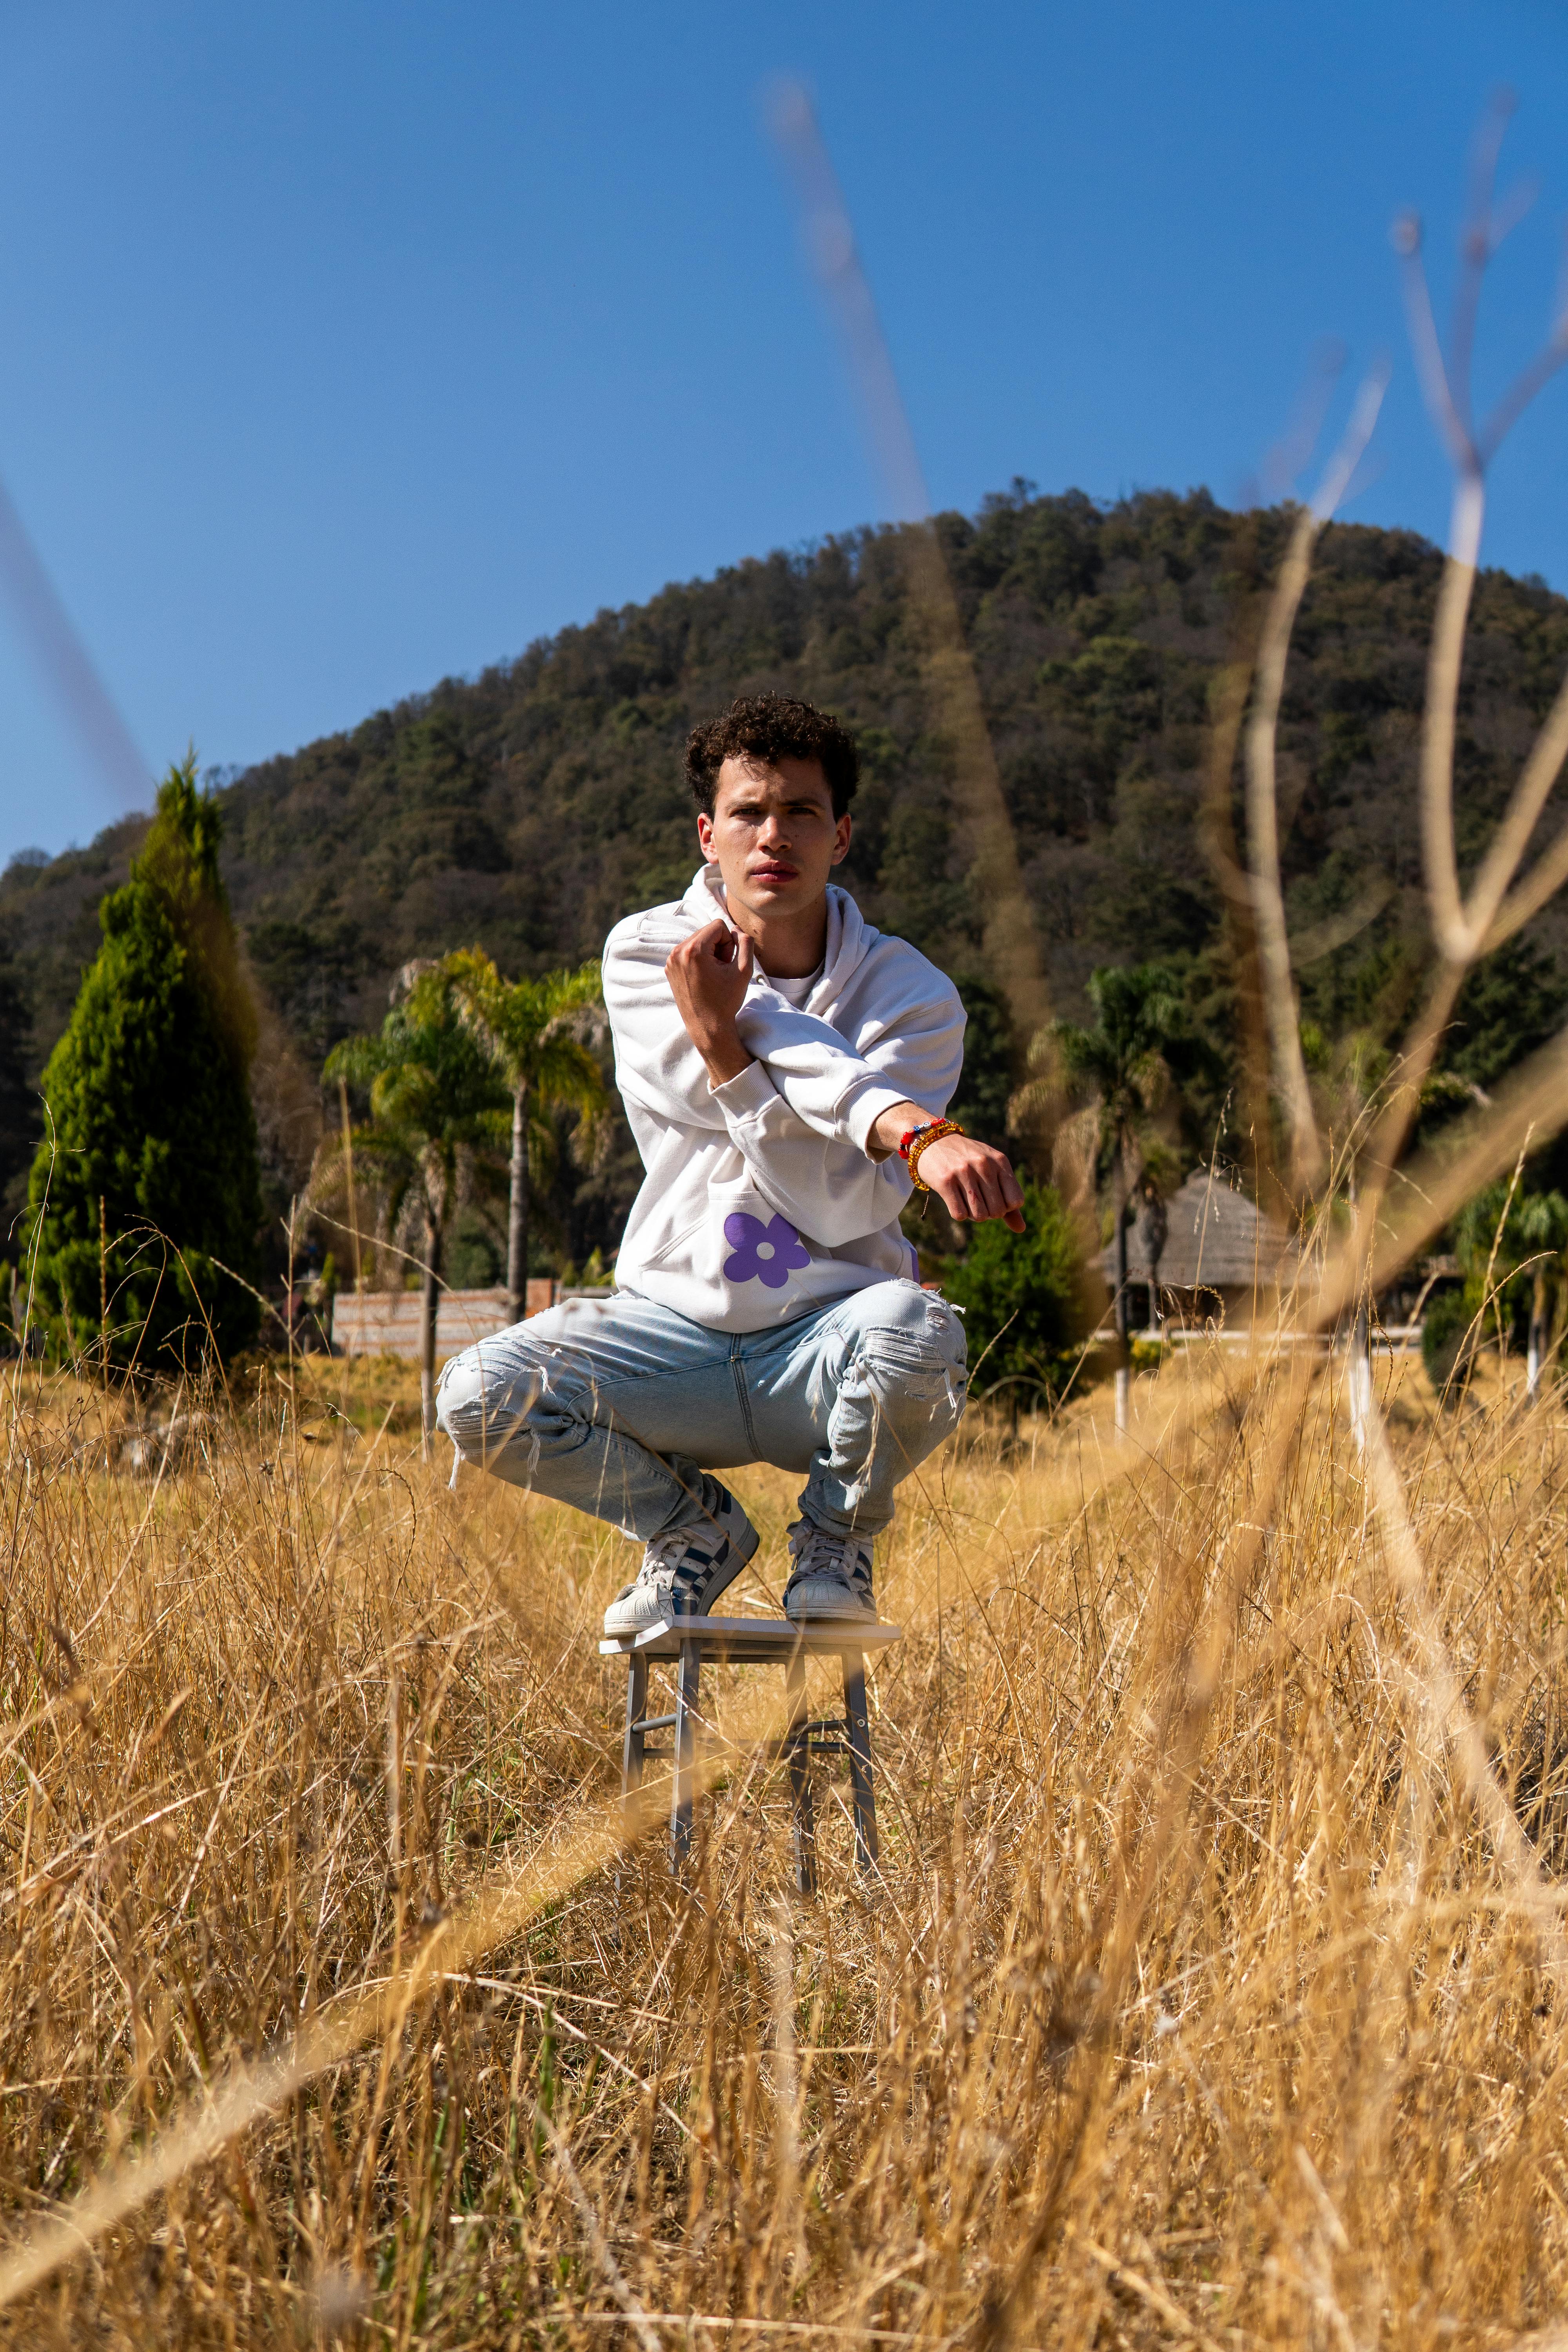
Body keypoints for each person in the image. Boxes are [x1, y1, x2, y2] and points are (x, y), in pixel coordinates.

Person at [436, 692, 1025, 1632]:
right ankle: (689, 1531)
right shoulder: (646, 952)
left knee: (920, 1333)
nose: (772, 836)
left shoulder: (911, 995)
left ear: (842, 834)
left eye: (799, 812)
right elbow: (770, 1036)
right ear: (707, 834)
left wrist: (727, 1052)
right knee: (478, 1396)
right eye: (749, 811)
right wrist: (905, 1125)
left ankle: (834, 1540)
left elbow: (837, 1211)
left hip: (827, 1345)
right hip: (673, 1339)